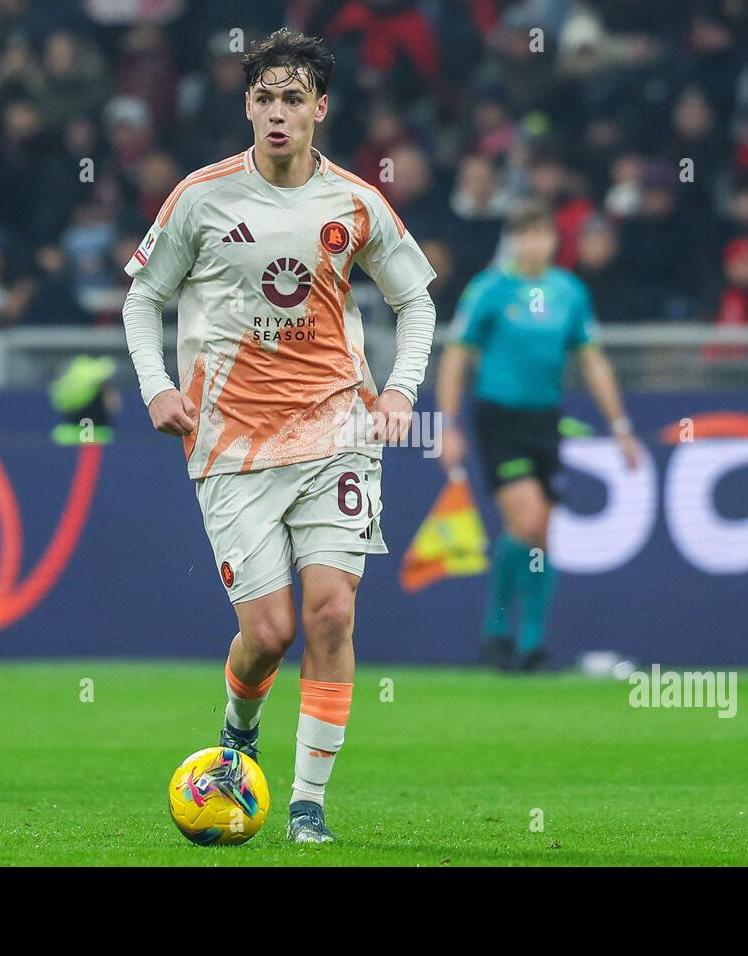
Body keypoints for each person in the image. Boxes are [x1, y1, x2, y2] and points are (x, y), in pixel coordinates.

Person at [120, 29, 436, 844]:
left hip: (336, 428)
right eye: (264, 98)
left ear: (321, 110)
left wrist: (399, 391)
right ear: (247, 106)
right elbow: (141, 298)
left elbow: (417, 300)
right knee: (270, 634)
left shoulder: (356, 202)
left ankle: (305, 806)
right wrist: (157, 387)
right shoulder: (202, 197)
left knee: (331, 613)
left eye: (294, 98)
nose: (278, 113)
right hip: (231, 443)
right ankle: (237, 728)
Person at [436, 200, 640, 671]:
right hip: (499, 418)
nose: (535, 242)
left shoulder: (569, 292)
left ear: (553, 240)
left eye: (542, 233)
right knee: (527, 521)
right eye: (525, 233)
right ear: (513, 240)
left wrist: (620, 426)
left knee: (541, 533)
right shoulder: (489, 289)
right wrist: (447, 425)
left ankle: (529, 642)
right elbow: (456, 356)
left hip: (544, 420)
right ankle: (496, 624)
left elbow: (592, 360)